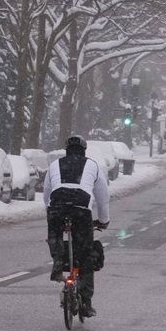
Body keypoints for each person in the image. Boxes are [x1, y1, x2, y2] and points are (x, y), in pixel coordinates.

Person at [42, 135, 110, 318]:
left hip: (57, 204)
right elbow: (103, 198)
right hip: (80, 207)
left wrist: (51, 216)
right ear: (84, 150)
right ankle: (86, 303)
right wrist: (103, 220)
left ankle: (57, 259)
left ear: (66, 150)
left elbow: (46, 193)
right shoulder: (93, 166)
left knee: (55, 235)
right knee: (86, 254)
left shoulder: (55, 165)